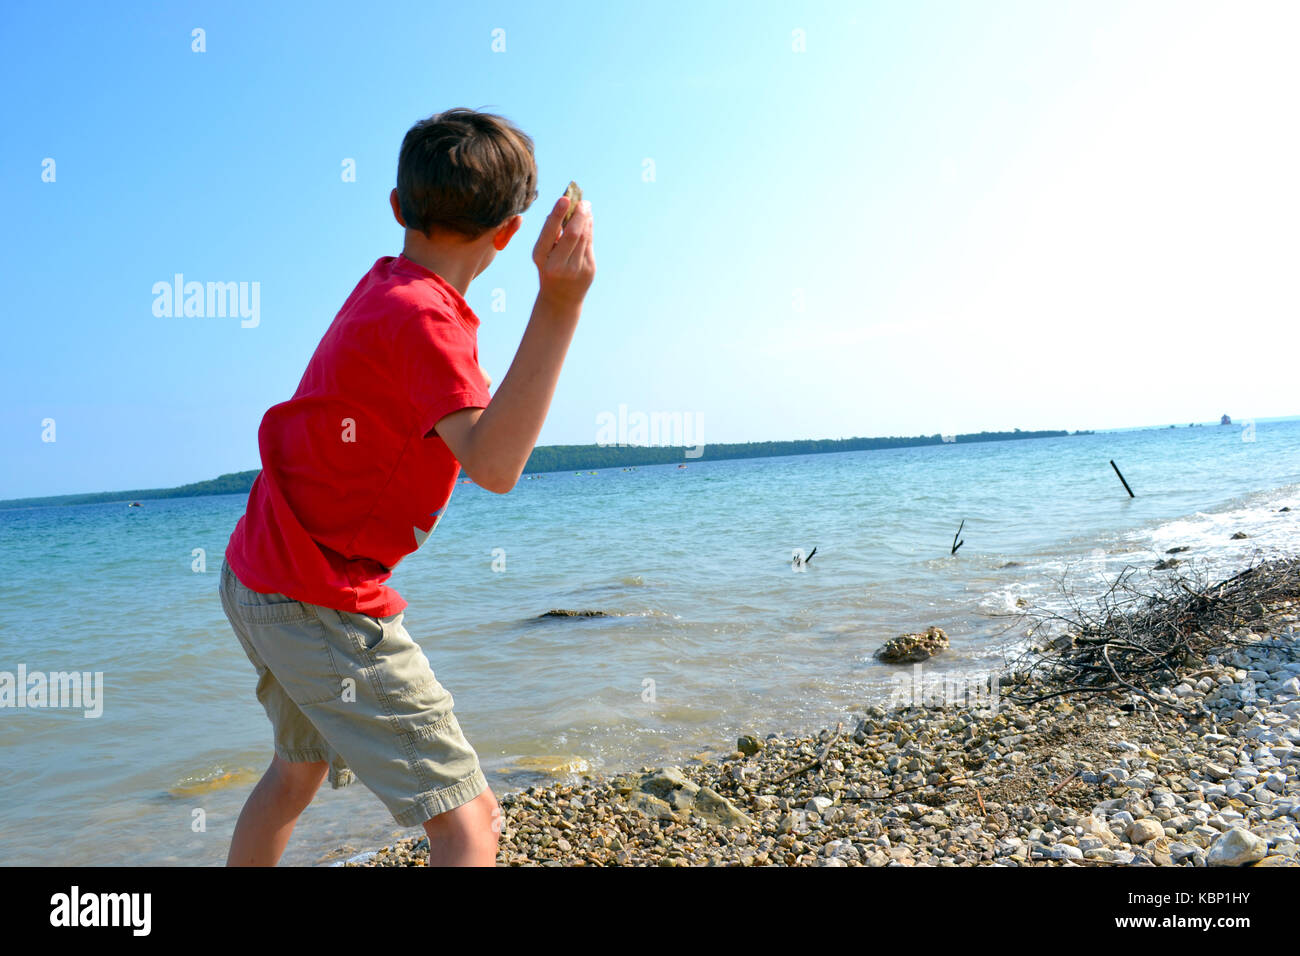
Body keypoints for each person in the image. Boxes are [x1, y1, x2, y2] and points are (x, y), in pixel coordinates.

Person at [217, 108, 594, 866]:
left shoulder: (387, 288)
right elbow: (495, 465)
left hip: (260, 572)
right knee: (469, 819)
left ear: (397, 208)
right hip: (314, 594)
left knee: (299, 769)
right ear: (510, 234)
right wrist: (561, 303)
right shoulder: (425, 321)